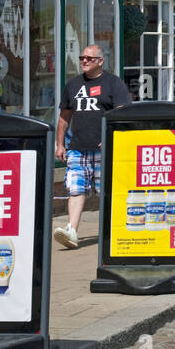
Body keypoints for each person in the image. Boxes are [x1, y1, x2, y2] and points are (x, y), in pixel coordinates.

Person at [54, 44, 131, 248]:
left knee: (107, 192)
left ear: (100, 61)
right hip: (78, 147)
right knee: (76, 189)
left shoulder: (113, 83)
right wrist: (60, 144)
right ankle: (71, 231)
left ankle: (115, 231)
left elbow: (122, 115)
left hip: (104, 149)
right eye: (82, 58)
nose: (84, 61)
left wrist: (110, 136)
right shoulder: (73, 84)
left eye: (89, 58)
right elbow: (64, 118)